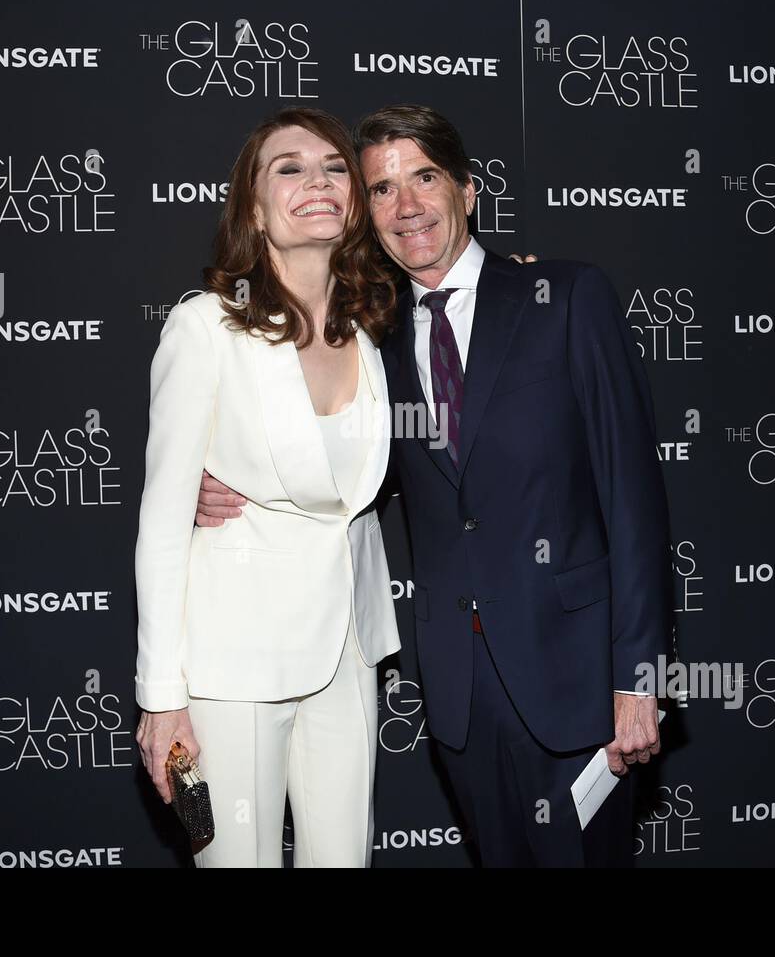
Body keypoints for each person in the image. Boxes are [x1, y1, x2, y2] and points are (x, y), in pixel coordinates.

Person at [197, 104, 673, 867]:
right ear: (366, 214)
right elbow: (327, 474)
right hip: (459, 694)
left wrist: (639, 678)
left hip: (579, 682)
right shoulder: (368, 342)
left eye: (424, 178)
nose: (407, 205)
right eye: (382, 189)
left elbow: (636, 503)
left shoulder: (567, 299)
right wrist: (210, 484)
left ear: (468, 190)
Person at [133, 106, 402, 867]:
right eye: (289, 167)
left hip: (348, 649)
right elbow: (160, 524)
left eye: (333, 167)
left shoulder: (371, 326)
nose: (316, 180)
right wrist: (161, 696)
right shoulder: (207, 327)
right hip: (234, 664)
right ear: (254, 205)